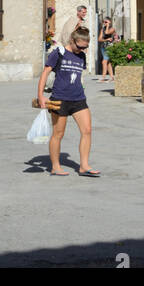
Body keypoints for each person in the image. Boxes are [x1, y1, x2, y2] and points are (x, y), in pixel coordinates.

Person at [37, 26, 99, 176]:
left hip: (78, 98)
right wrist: (41, 96)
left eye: (85, 47)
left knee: (87, 131)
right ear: (72, 40)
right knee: (58, 133)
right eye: (79, 46)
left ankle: (84, 166)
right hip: (60, 99)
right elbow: (45, 73)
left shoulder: (81, 56)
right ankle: (55, 166)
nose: (81, 50)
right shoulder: (58, 53)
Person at [98, 16, 116, 82]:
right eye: (103, 22)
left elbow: (107, 33)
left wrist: (108, 26)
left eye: (106, 22)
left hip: (109, 47)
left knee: (104, 61)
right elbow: (99, 39)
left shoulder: (112, 29)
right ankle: (111, 77)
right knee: (108, 63)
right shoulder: (102, 29)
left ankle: (103, 77)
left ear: (110, 22)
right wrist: (106, 39)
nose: (104, 23)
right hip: (103, 47)